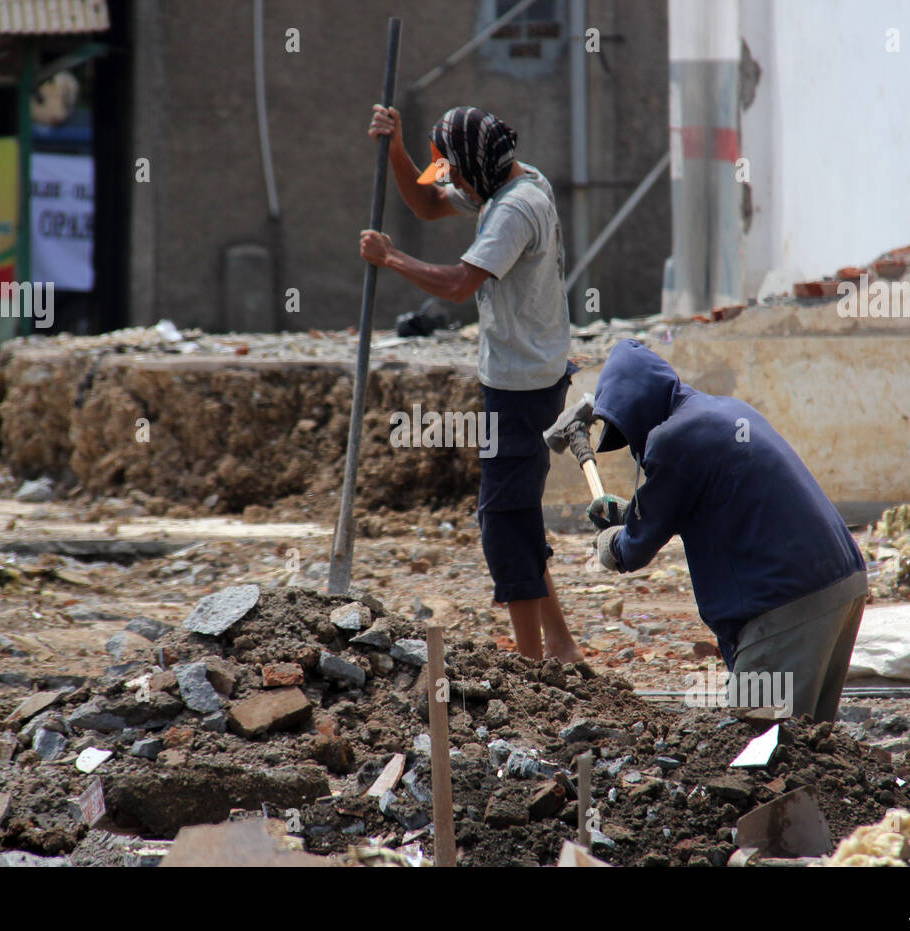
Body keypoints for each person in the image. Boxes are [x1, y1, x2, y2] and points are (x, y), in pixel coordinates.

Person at [361, 103, 581, 663]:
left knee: (503, 523)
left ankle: (531, 668)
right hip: (527, 372)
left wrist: (392, 258)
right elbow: (428, 201)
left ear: (475, 165)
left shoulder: (516, 208)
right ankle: (560, 646)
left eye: (456, 172)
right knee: (519, 512)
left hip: (523, 385)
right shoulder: (511, 175)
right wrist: (396, 149)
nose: (453, 183)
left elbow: (460, 284)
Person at [589, 339, 868, 721]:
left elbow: (635, 549)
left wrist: (609, 544)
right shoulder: (721, 411)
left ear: (636, 409)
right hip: (840, 584)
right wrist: (630, 514)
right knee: (807, 746)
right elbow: (690, 504)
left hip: (787, 604)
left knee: (762, 748)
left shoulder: (673, 440)